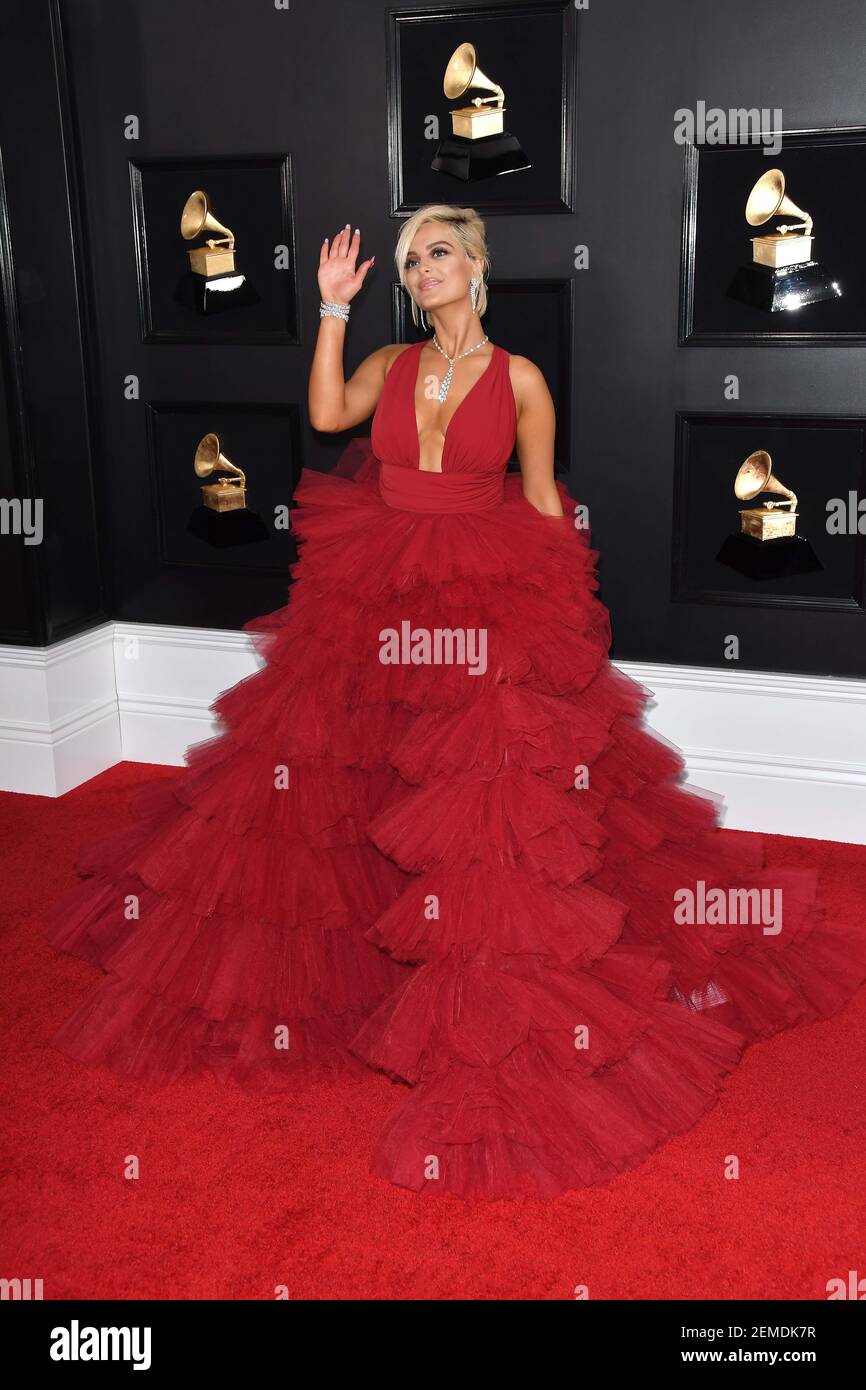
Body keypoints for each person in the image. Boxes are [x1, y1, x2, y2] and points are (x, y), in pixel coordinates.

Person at [45, 203, 866, 1201]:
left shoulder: (519, 379)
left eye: (439, 254)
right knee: (330, 777)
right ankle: (366, 959)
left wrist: (553, 613)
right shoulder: (388, 363)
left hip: (479, 592)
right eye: (410, 260)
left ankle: (483, 1001)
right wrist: (331, 309)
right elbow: (327, 417)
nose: (423, 270)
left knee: (481, 806)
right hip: (371, 578)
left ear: (474, 267)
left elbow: (535, 499)